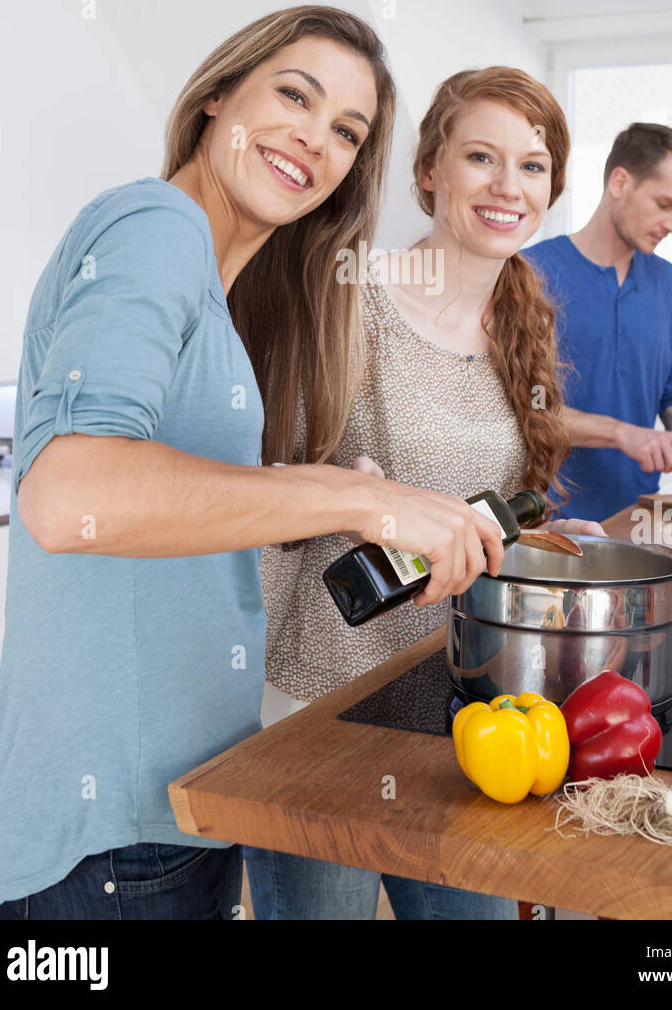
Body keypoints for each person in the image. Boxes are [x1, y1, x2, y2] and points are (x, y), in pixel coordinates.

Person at [0, 6, 506, 920]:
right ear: (217, 96)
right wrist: (352, 497)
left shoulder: (217, 295)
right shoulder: (152, 223)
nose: (316, 137)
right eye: (295, 95)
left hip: (175, 812)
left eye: (348, 131)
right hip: (109, 833)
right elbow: (66, 495)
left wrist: (343, 502)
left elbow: (191, 509)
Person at [254, 65, 606, 921]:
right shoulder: (347, 300)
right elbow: (262, 492)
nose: (506, 186)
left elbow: (485, 508)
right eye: (480, 156)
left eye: (531, 166)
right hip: (328, 706)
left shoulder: (524, 317)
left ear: (553, 189)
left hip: (470, 706)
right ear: (428, 172)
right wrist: (340, 491)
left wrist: (548, 537)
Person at [523, 122, 672, 523]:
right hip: (548, 521)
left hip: (639, 518)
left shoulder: (668, 282)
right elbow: (524, 404)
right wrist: (624, 433)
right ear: (620, 182)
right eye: (664, 204)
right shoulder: (530, 272)